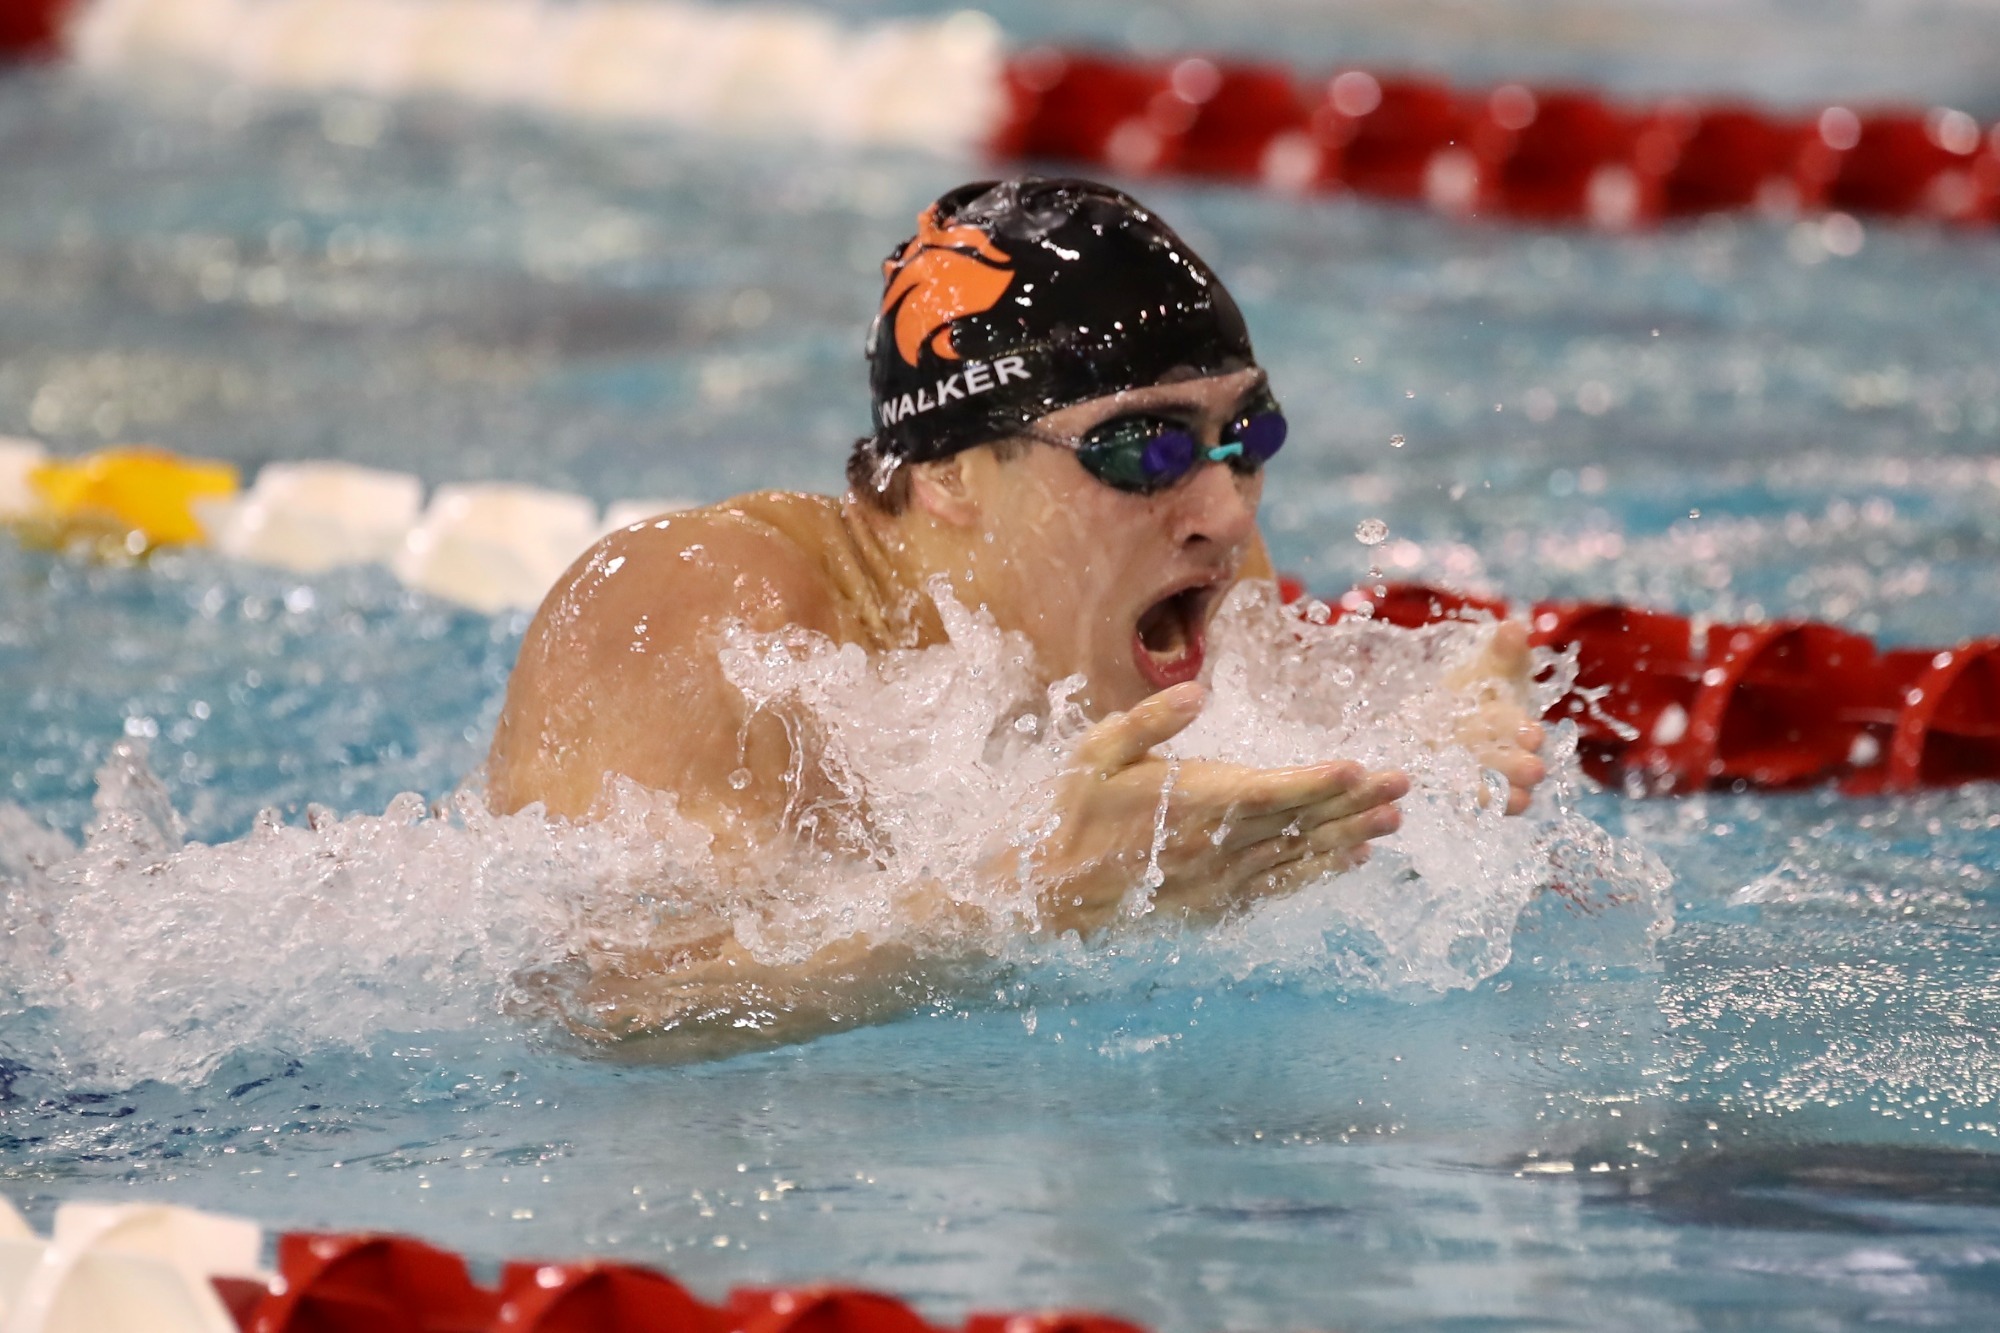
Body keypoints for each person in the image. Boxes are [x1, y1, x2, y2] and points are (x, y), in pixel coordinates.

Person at [486, 177, 1545, 1038]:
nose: (1222, 512)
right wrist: (1013, 908)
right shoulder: (705, 612)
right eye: (1146, 446)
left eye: (1246, 435)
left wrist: (1434, 748)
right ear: (946, 472)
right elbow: (597, 1008)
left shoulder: (1176, 563)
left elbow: (1296, 728)